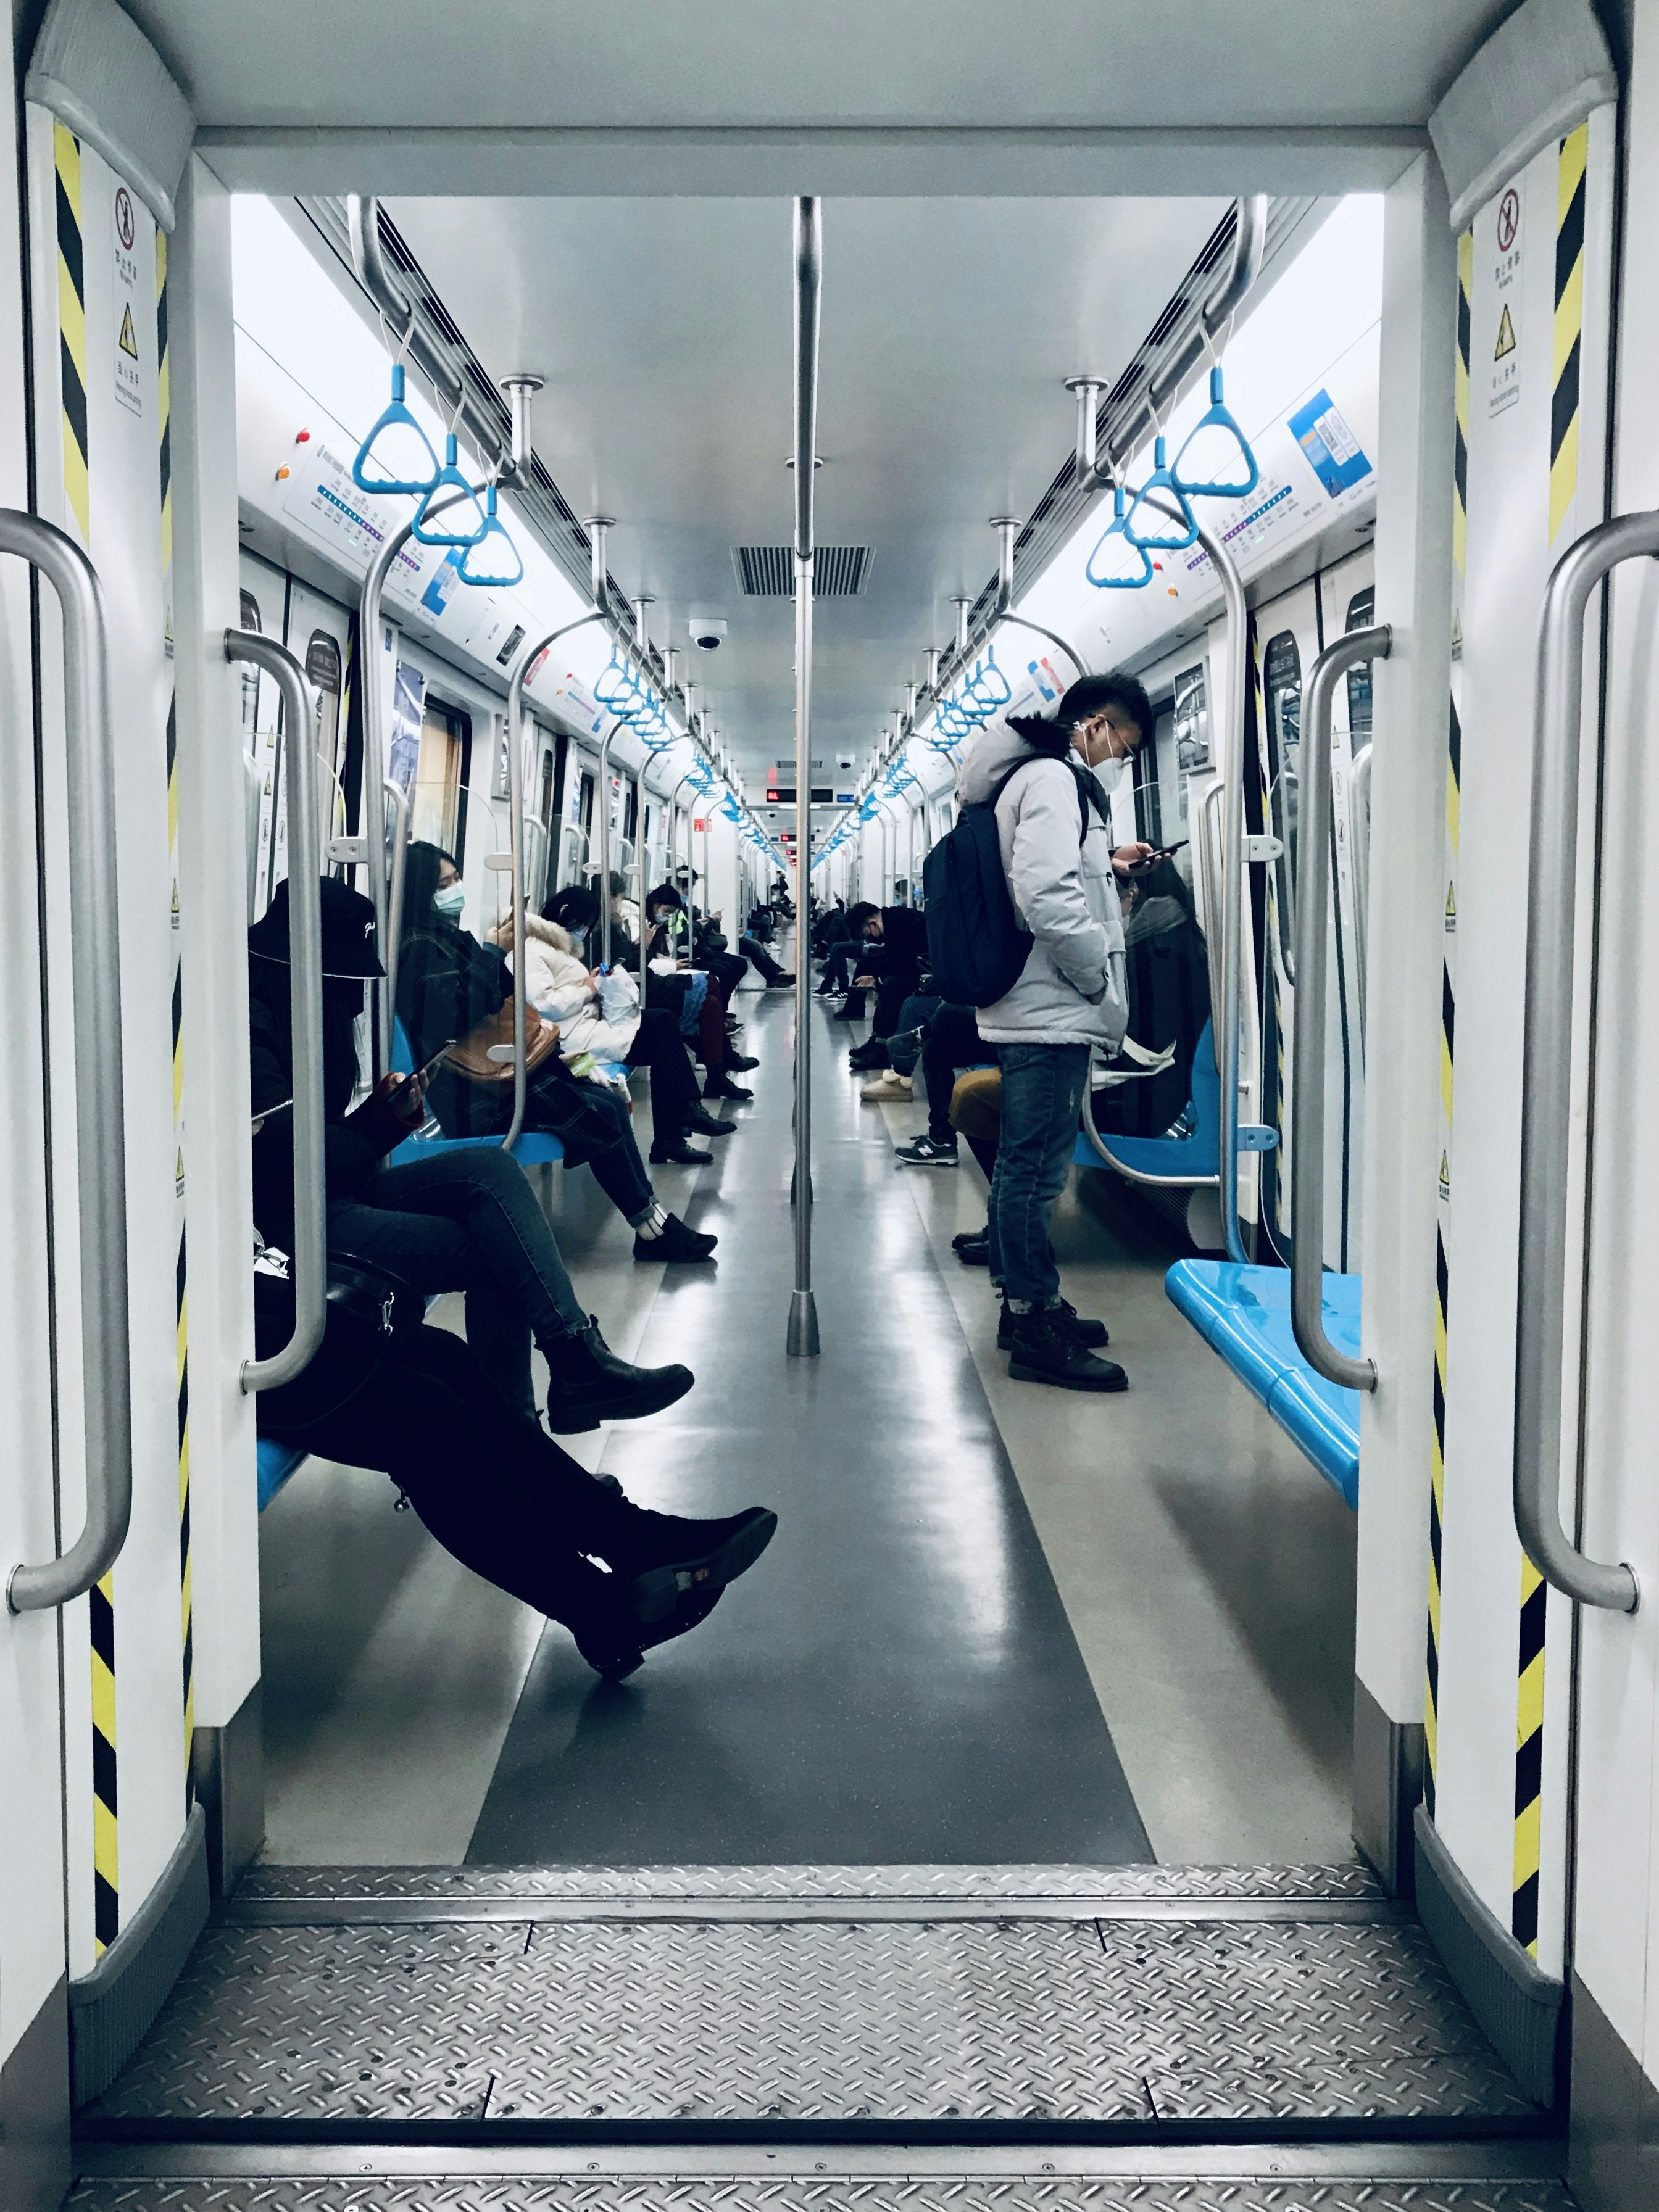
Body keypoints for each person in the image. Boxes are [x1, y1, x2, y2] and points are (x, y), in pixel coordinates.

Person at [249, 877, 695, 1434]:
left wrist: (384, 1117)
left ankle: (571, 1358)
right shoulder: (249, 1018)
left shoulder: (314, 1006)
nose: (350, 999)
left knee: (490, 1170)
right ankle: (533, 1428)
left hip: (335, 1184)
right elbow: (293, 1161)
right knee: (499, 1255)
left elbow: (330, 1149)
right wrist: (379, 1126)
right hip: (293, 1222)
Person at [955, 670, 1158, 1391]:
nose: (1120, 759)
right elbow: (1043, 893)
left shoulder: (1040, 780)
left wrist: (1107, 863)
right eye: (1125, 745)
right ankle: (1033, 1316)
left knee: (1030, 1164)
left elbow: (1056, 870)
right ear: (1098, 725)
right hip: (1050, 1004)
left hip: (1039, 1001)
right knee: (1035, 1171)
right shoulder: (1052, 780)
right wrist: (1097, 976)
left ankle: (1026, 1302)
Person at [396, 844, 719, 1248]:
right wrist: (499, 953)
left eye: (457, 879)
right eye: (444, 884)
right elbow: (458, 1013)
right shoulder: (416, 948)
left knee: (611, 1101)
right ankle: (651, 1227)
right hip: (476, 1086)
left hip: (510, 1061)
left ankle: (651, 1217)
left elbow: (498, 990)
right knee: (600, 1108)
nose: (455, 890)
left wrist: (496, 959)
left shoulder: (450, 938)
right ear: (422, 891)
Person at [504, 884, 734, 1156]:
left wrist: (595, 984)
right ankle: (678, 1123)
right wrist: (588, 989)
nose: (585, 932)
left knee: (664, 1029)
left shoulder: (556, 947)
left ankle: (677, 1126)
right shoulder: (532, 950)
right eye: (585, 924)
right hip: (567, 1042)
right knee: (662, 1028)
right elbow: (544, 1005)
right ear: (566, 912)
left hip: (586, 1026)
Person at [642, 883, 758, 1099]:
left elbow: (664, 948)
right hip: (650, 983)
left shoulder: (660, 923)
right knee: (712, 989)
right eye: (666, 912)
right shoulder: (638, 925)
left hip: (661, 975)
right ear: (656, 904)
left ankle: (720, 1069)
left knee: (714, 987)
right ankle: (721, 1068)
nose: (667, 917)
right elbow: (640, 962)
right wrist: (669, 963)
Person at [843, 903, 931, 1067]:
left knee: (892, 987)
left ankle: (881, 1050)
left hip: (931, 973)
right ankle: (876, 1041)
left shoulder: (900, 924)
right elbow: (894, 960)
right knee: (886, 983)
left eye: (868, 935)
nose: (871, 939)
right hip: (921, 967)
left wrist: (880, 981)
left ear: (873, 924)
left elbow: (903, 963)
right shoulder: (893, 920)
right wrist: (875, 979)